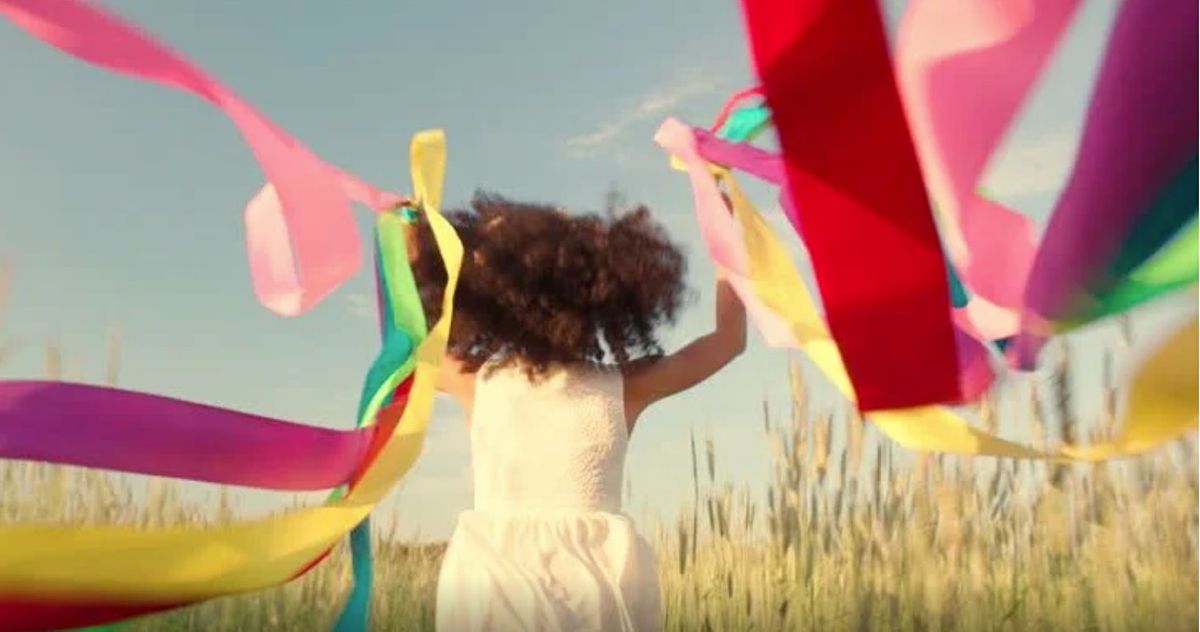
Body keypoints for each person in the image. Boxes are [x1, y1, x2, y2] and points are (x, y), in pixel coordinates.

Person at [405, 192, 746, 631]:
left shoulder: (476, 382)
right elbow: (729, 340)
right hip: (598, 584)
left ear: (497, 299)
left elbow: (410, 337)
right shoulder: (624, 387)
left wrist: (414, 245)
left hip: (495, 582)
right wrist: (724, 225)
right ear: (604, 296)